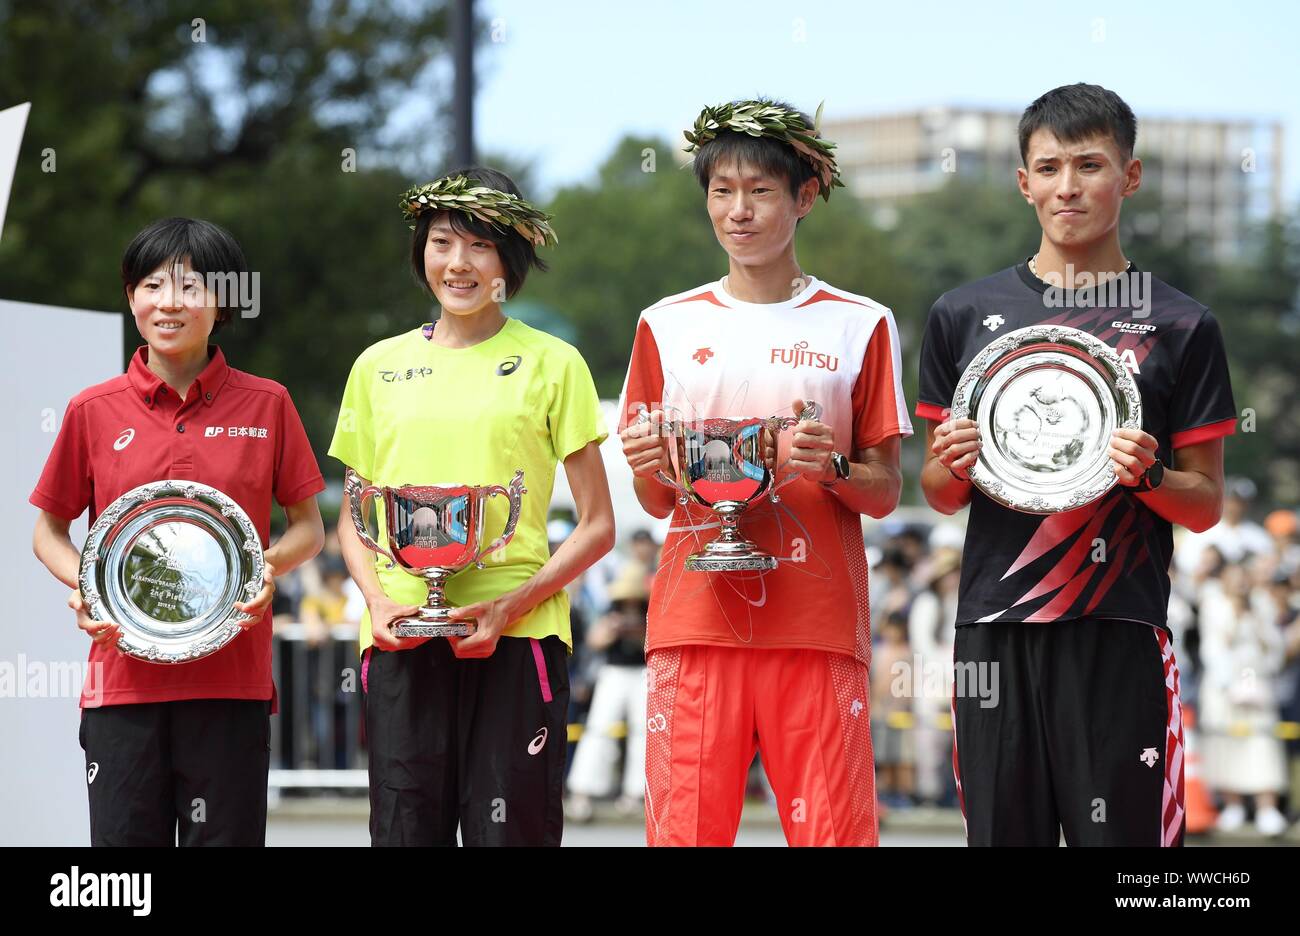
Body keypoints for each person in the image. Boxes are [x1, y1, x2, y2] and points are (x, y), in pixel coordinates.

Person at [919, 83, 1237, 846]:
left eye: (1090, 165)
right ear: (1023, 181)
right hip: (993, 629)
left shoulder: (1182, 323)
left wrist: (1148, 478)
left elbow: (1206, 505)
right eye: (1049, 167)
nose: (1069, 187)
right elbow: (937, 494)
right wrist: (952, 463)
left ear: (1129, 176)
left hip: (1118, 627)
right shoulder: (963, 314)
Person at [619, 99, 911, 846]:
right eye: (722, 191)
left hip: (815, 625)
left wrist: (837, 468)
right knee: (685, 835)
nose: (738, 211)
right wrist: (650, 468)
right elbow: (656, 500)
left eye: (760, 191)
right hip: (694, 622)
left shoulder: (860, 323)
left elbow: (886, 490)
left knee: (835, 837)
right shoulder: (666, 323)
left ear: (804, 196)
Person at [330, 167, 615, 846]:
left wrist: (506, 607)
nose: (457, 264)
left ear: (509, 259)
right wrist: (375, 602)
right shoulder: (378, 367)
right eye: (440, 242)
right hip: (402, 634)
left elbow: (598, 525)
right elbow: (352, 516)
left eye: (479, 246)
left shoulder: (555, 364)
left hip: (516, 642)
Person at [30, 217, 326, 845]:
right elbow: (48, 531)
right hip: (121, 684)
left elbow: (309, 529)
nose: (169, 302)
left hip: (232, 681)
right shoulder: (92, 409)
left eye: (190, 287)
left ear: (222, 302)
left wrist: (266, 567)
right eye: (152, 285)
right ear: (131, 297)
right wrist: (84, 583)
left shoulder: (268, 403)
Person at [566, 553, 652, 819]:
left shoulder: (649, 611)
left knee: (642, 733)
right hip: (613, 672)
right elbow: (594, 642)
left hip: (641, 673)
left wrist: (638, 632)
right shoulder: (610, 610)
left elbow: (651, 645)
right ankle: (583, 790)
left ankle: (635, 793)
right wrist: (614, 629)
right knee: (598, 729)